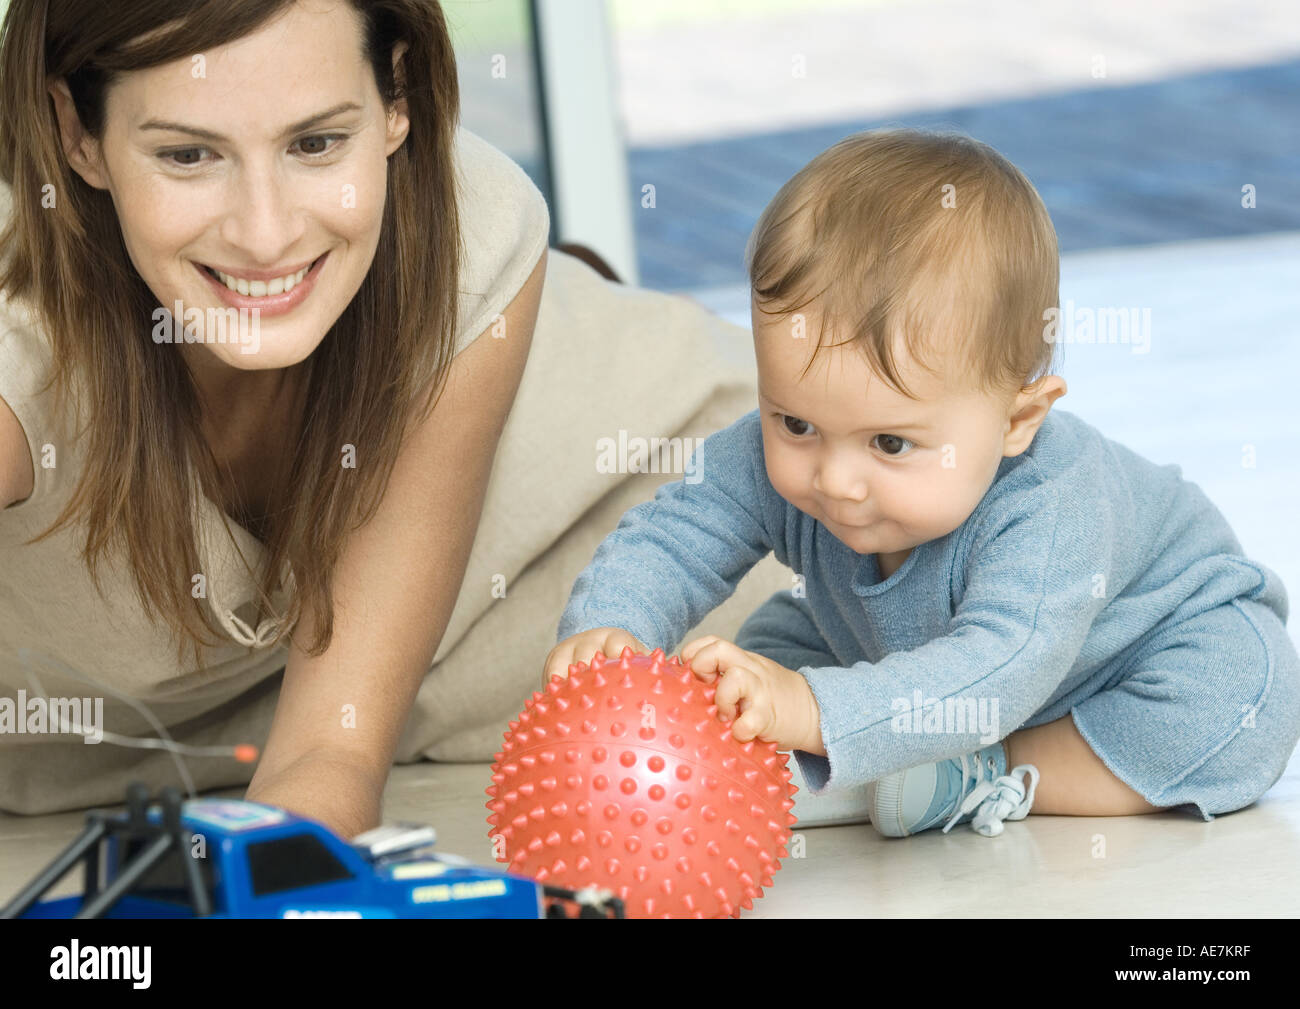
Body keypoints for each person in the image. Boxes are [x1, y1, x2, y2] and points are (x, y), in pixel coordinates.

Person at [0, 0, 759, 837]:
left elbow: (328, 756)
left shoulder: (466, 238)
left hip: (642, 499)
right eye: (188, 155)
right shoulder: (21, 340)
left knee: (889, 608)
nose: (266, 233)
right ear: (75, 131)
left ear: (398, 93)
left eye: (316, 143)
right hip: (201, 733)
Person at [545, 128, 1300, 838]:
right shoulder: (782, 454)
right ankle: (831, 761)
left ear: (1017, 419)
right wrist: (611, 627)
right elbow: (676, 533)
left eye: (890, 442)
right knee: (768, 648)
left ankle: (985, 771)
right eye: (795, 423)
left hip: (1122, 660)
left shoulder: (1051, 502)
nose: (836, 479)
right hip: (901, 652)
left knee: (1240, 699)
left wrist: (808, 707)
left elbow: (1000, 669)